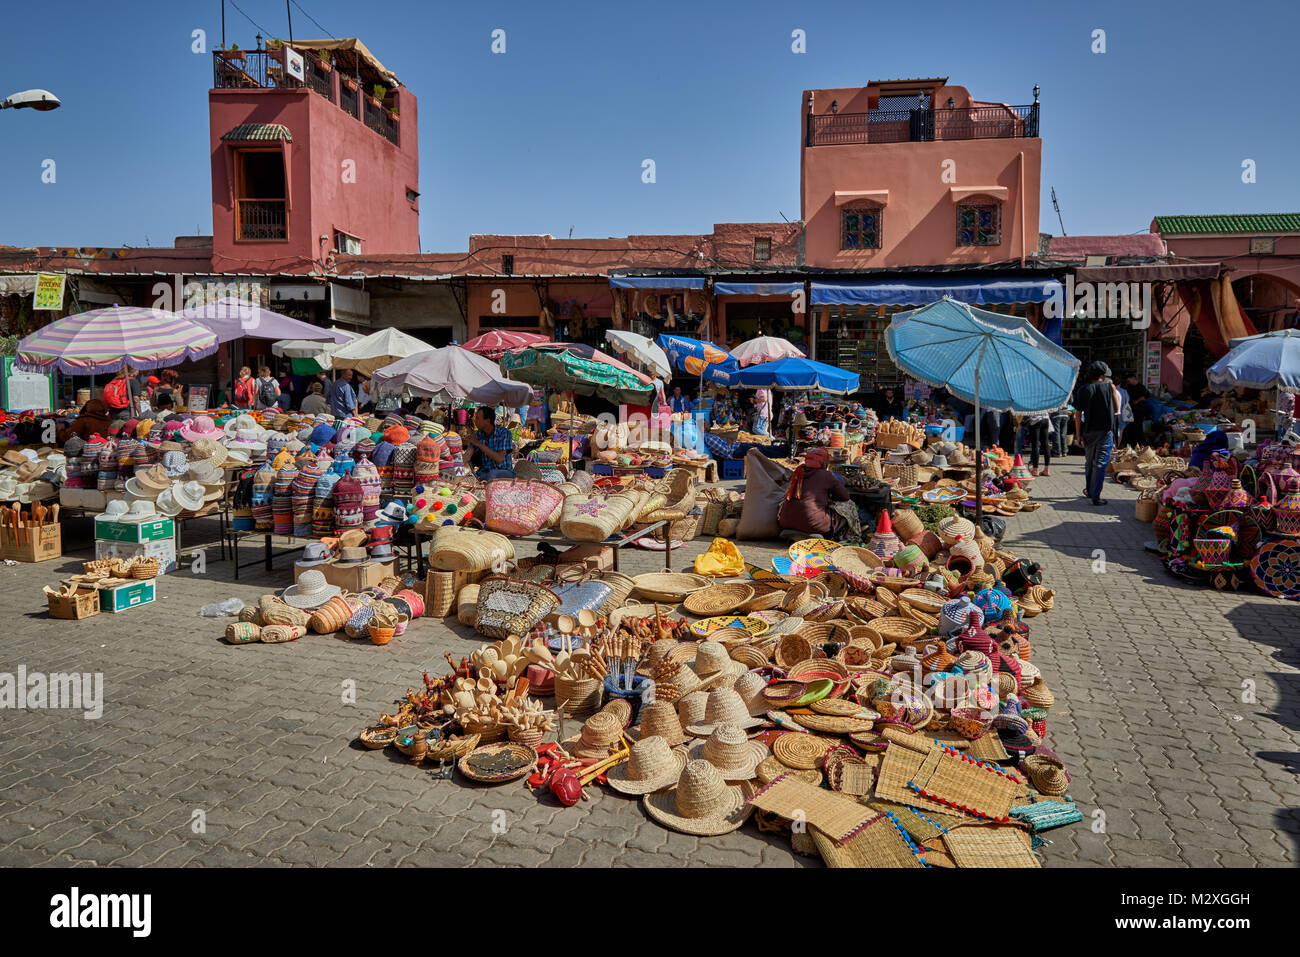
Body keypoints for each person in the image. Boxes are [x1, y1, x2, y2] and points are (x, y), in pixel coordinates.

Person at [1074, 361, 1122, 506]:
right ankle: (1096, 496)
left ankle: (1089, 490)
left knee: (1089, 462)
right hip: (1105, 431)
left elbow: (1077, 415)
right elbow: (1116, 409)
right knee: (1100, 463)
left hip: (1088, 431)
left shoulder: (1083, 390)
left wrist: (1078, 434)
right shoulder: (1110, 387)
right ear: (1103, 375)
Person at [777, 447, 851, 536]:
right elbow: (845, 497)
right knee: (848, 507)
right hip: (813, 524)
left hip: (785, 522)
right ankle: (835, 535)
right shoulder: (826, 475)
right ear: (824, 462)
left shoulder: (798, 471)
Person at [466, 406, 515, 480]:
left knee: (491, 475)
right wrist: (456, 465)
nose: (475, 421)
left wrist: (479, 444)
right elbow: (468, 454)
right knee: (471, 478)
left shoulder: (504, 433)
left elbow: (499, 458)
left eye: (478, 418)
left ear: (487, 421)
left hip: (504, 472)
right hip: (485, 472)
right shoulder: (478, 435)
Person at [1121, 374, 1151, 446]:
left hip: (1140, 409)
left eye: (1129, 381)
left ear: (1134, 379)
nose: (1128, 382)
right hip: (1131, 410)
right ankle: (1132, 442)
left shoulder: (1141, 387)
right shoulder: (1129, 387)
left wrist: (1137, 401)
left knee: (1138, 426)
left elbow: (1146, 396)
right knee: (1131, 427)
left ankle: (1140, 442)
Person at [1023, 410, 1052, 476]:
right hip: (1045, 418)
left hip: (1035, 419)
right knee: (1045, 445)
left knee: (1035, 445)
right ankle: (1046, 470)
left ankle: (1035, 470)